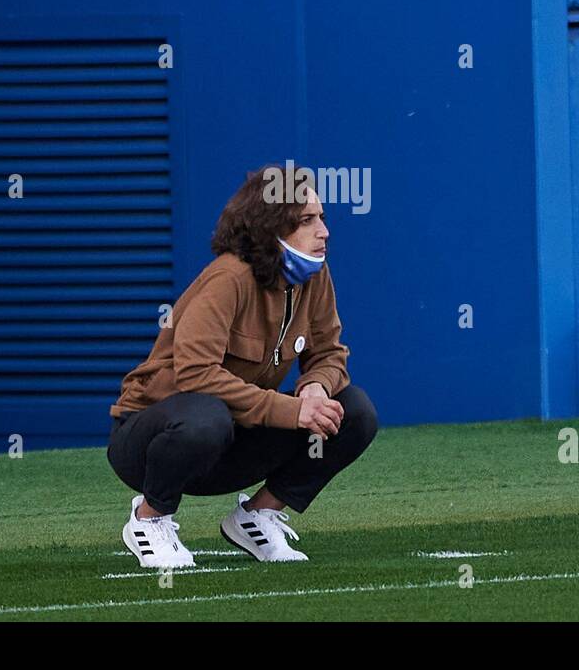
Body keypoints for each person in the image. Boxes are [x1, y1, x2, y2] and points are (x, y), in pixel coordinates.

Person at [106, 165, 378, 567]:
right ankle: (149, 518)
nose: (324, 230)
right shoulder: (228, 279)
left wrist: (316, 387)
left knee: (353, 411)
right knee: (207, 413)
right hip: (151, 444)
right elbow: (196, 374)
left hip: (229, 443)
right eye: (307, 220)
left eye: (321, 217)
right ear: (270, 229)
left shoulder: (314, 276)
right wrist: (292, 410)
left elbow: (328, 352)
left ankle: (257, 516)